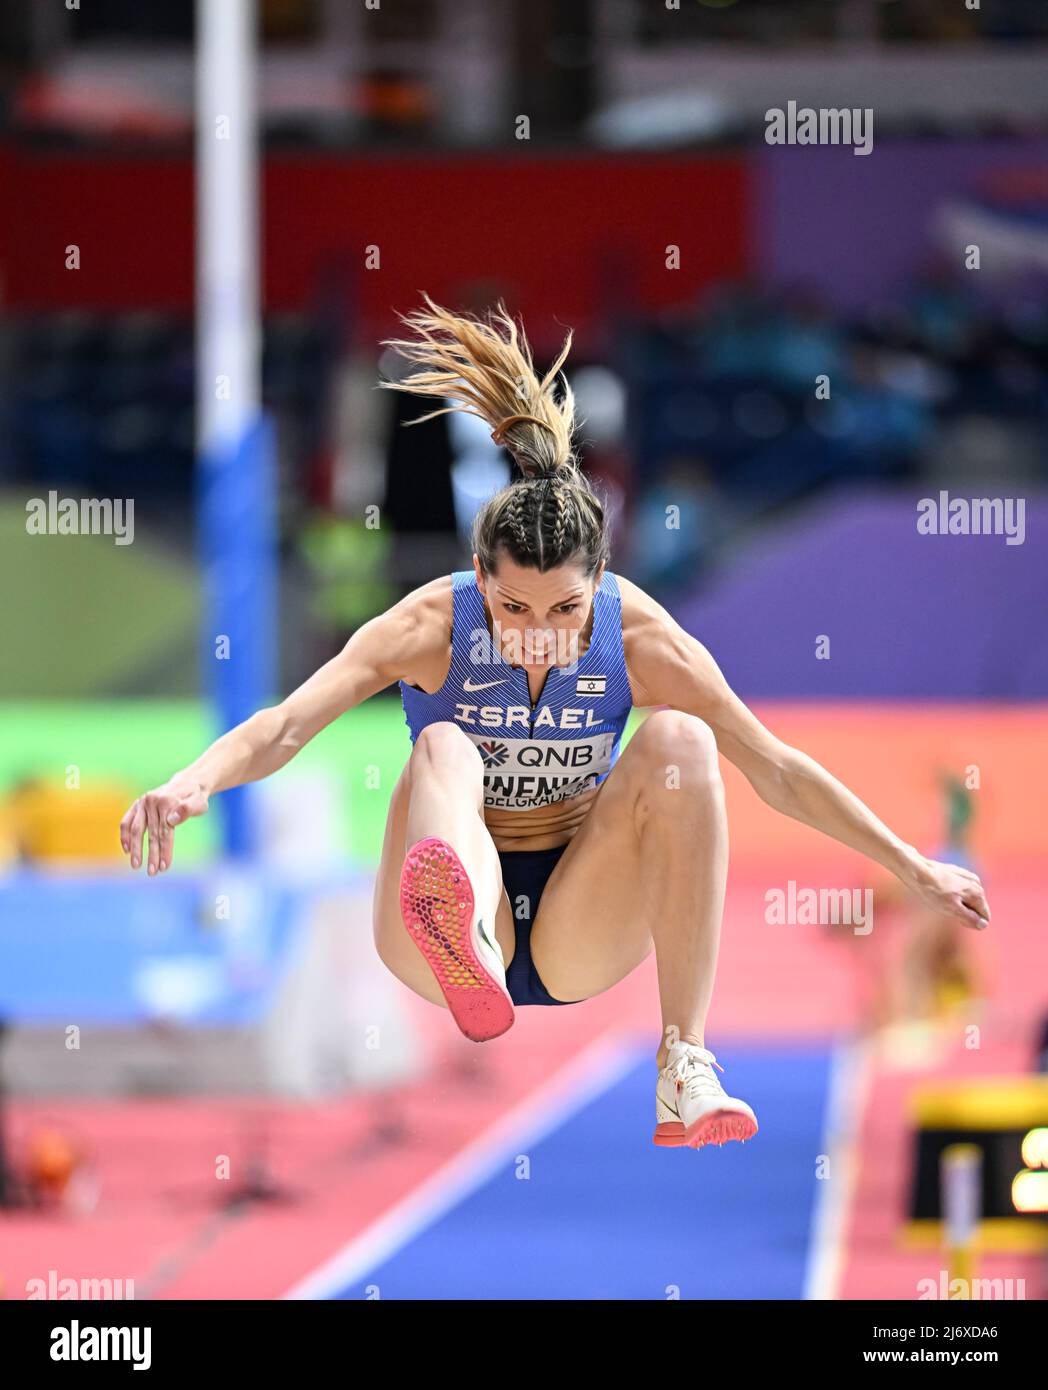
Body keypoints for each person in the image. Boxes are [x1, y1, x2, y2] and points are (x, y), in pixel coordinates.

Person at [119, 295, 992, 1151]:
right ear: (478, 580)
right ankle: (462, 927)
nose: (537, 636)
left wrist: (912, 866)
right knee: (442, 743)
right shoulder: (427, 626)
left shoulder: (645, 638)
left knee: (684, 742)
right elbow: (285, 723)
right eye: (513, 609)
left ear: (600, 585)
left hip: (580, 922)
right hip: (445, 929)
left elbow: (776, 768)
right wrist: (189, 784)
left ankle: (683, 1058)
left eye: (564, 610)